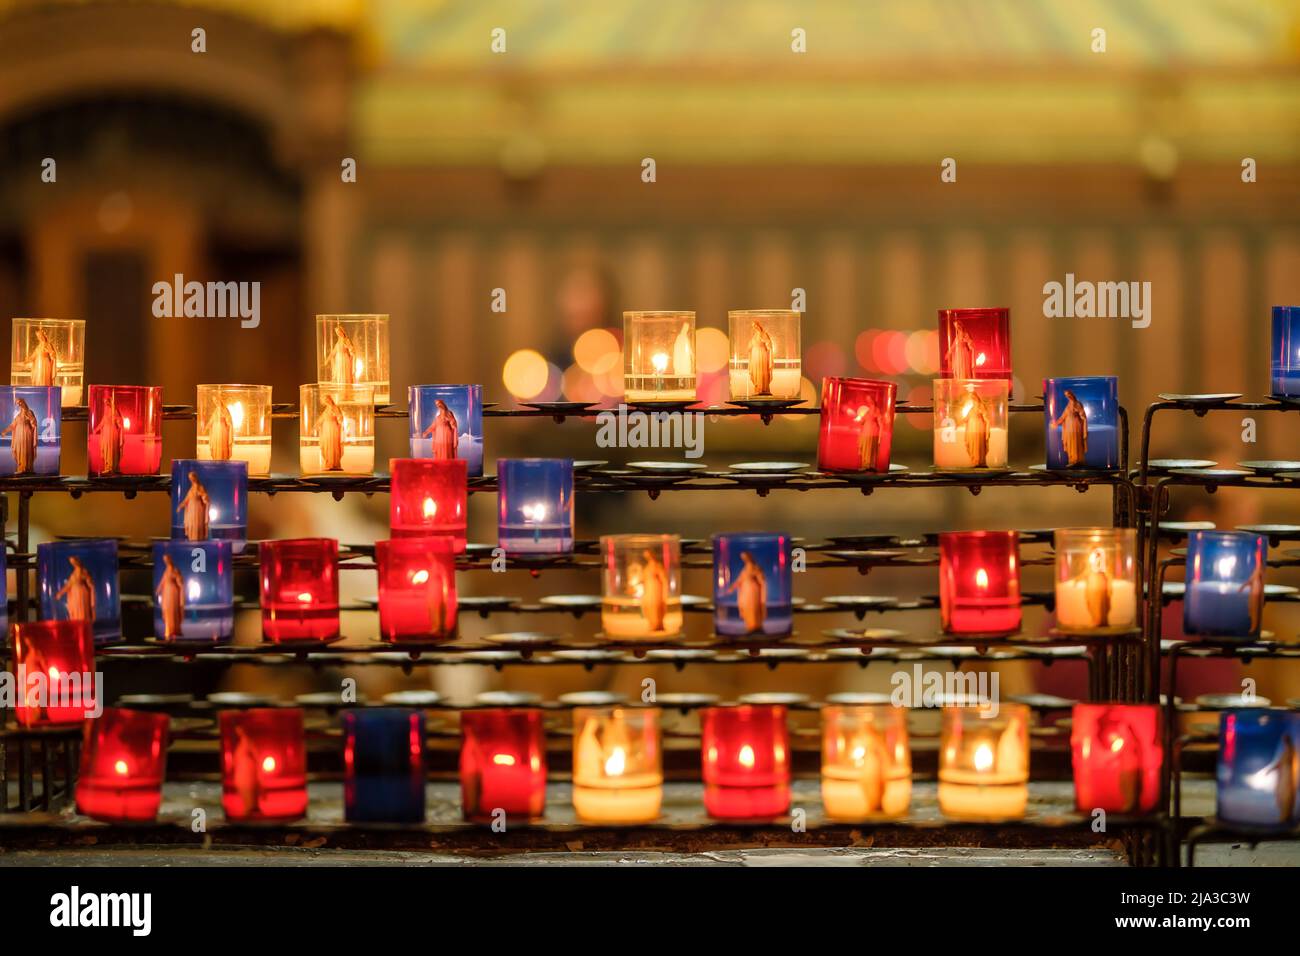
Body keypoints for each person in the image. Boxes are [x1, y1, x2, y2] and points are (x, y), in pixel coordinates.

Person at [726, 551, 768, 634]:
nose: (744, 559)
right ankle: (750, 627)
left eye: (745, 557)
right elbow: (739, 580)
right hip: (745, 594)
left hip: (753, 593)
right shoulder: (745, 569)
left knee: (754, 609)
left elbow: (762, 581)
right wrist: (732, 587)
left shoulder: (756, 568)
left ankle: (756, 627)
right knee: (746, 609)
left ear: (749, 557)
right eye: (743, 558)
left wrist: (761, 584)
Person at [1053, 389, 1089, 467]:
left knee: (1076, 442)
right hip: (1069, 428)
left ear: (1072, 394)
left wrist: (1082, 416)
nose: (1068, 396)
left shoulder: (1078, 404)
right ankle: (1072, 460)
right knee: (1070, 443)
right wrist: (1056, 423)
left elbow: (1083, 415)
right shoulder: (1068, 406)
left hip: (1076, 426)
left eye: (1068, 394)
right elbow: (1063, 417)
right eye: (1066, 395)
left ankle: (1078, 460)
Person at [2, 397, 39, 474]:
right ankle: (21, 467)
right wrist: (5, 431)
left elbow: (34, 424)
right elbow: (12, 425)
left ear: (23, 402)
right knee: (19, 451)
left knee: (26, 451)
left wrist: (29, 416)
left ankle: (27, 468)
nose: (19, 404)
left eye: (20, 402)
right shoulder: (18, 416)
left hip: (26, 435)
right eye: (18, 403)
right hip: (19, 436)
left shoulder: (29, 412)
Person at [55, 556, 96, 623]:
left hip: (81, 593)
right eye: (71, 562)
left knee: (81, 611)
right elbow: (68, 585)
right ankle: (77, 625)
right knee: (75, 611)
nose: (73, 563)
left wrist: (91, 586)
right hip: (74, 595)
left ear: (78, 561)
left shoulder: (84, 571)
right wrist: (60, 593)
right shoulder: (74, 573)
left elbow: (90, 583)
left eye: (74, 561)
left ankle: (83, 625)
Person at [155, 553, 185, 639]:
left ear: (170, 560)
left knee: (173, 610)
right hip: (166, 593)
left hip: (173, 593)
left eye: (167, 560)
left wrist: (180, 583)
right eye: (165, 560)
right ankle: (168, 630)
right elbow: (163, 581)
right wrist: (159, 589)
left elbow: (179, 581)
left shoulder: (175, 570)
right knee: (167, 610)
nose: (166, 561)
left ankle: (174, 629)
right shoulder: (166, 570)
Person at [637, 548, 668, 632]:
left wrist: (665, 590)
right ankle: (652, 623)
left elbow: (663, 578)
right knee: (648, 605)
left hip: (655, 588)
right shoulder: (647, 567)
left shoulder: (657, 565)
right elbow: (643, 578)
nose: (648, 557)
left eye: (649, 555)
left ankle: (657, 624)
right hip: (648, 589)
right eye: (646, 556)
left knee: (655, 606)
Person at [177, 471, 211, 540]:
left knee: (197, 524)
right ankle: (192, 539)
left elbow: (205, 496)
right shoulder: (191, 489)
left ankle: (198, 540)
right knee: (191, 524)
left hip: (198, 508)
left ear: (195, 478)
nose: (191, 480)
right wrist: (180, 506)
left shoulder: (200, 487)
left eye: (192, 478)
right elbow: (187, 499)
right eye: (190, 478)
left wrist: (204, 498)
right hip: (191, 509)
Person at [97, 393, 124, 474]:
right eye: (105, 403)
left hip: (112, 433)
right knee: (106, 449)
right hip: (106, 433)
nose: (106, 405)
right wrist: (96, 429)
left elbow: (119, 421)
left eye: (107, 403)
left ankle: (113, 467)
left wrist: (119, 424)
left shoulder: (114, 411)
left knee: (112, 450)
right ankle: (107, 466)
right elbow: (102, 422)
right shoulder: (106, 412)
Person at [318, 394, 345, 470]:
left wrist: (339, 422)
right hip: (326, 428)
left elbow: (340, 417)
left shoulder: (335, 408)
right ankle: (328, 462)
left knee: (333, 445)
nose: (326, 401)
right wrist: (318, 424)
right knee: (327, 444)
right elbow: (322, 418)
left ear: (330, 400)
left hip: (333, 427)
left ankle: (334, 463)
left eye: (327, 399)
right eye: (325, 400)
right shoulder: (327, 409)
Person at [964, 392, 991, 467]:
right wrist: (957, 422)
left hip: (979, 428)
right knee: (972, 444)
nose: (972, 400)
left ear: (976, 398)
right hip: (971, 429)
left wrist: (987, 431)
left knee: (978, 445)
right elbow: (966, 418)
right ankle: (974, 461)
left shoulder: (981, 407)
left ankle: (979, 462)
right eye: (971, 399)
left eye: (973, 398)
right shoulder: (972, 408)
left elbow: (987, 420)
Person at [747, 321, 773, 395]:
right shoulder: (754, 336)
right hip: (755, 354)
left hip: (762, 353)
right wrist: (750, 348)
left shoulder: (763, 334)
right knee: (755, 371)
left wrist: (767, 345)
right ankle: (757, 387)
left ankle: (763, 388)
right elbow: (751, 345)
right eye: (753, 326)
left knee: (762, 370)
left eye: (755, 325)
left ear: (759, 325)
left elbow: (768, 344)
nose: (755, 327)